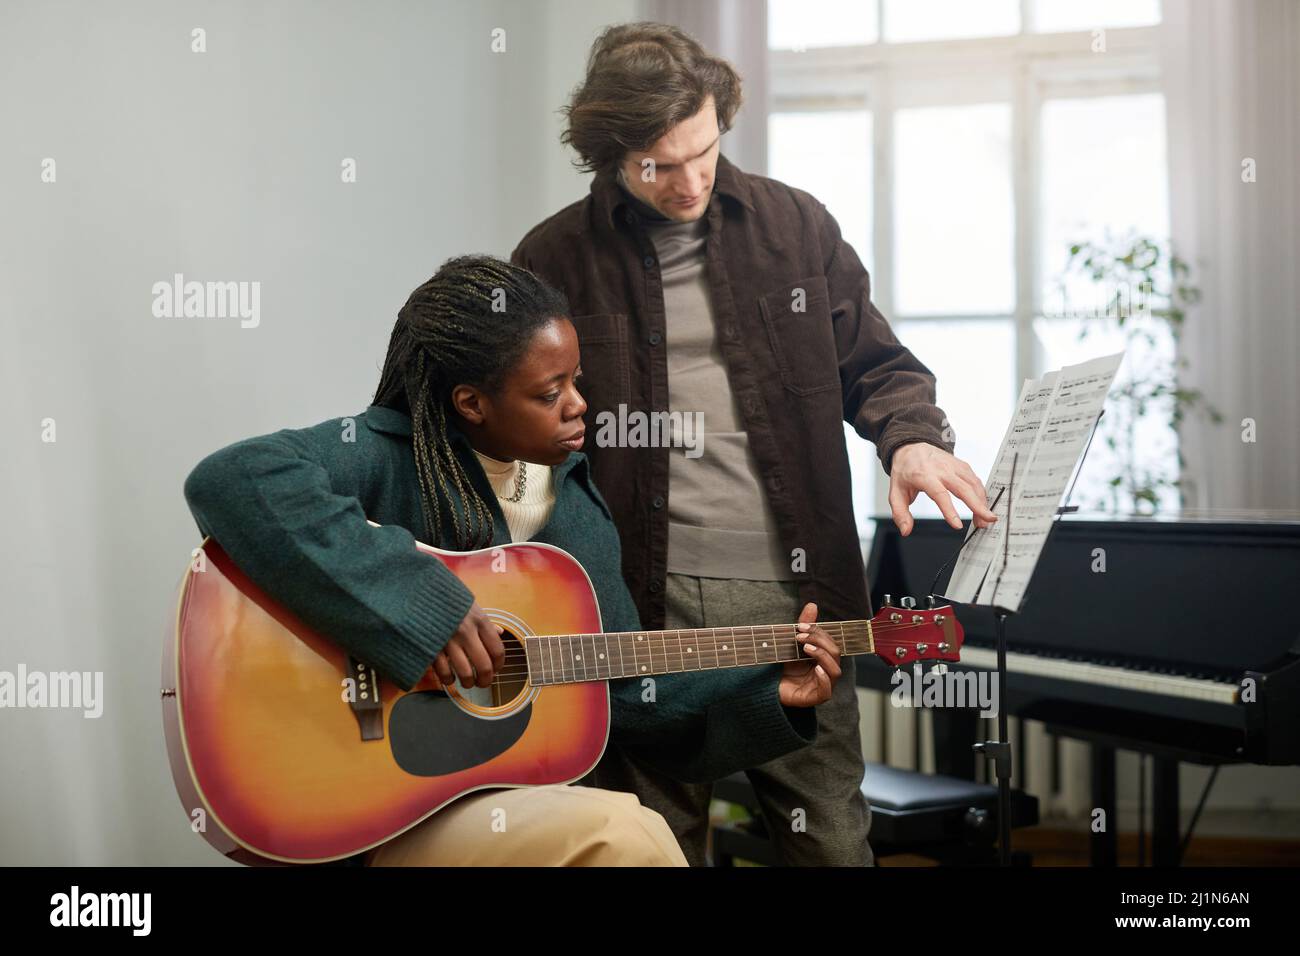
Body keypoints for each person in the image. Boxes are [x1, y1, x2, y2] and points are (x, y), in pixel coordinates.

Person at [512, 22, 997, 866]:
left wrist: (911, 442)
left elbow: (877, 368)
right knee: (651, 841)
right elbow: (516, 425)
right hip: (633, 599)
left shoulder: (796, 227)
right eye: (662, 165)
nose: (692, 180)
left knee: (833, 839)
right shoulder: (553, 257)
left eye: (705, 149)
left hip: (799, 594)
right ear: (610, 156)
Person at [181, 254, 843, 866]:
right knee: (628, 834)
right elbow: (232, 479)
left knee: (622, 827)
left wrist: (768, 693)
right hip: (357, 802)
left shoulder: (572, 503)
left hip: (490, 801)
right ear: (472, 402)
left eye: (575, 381)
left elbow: (619, 693)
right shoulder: (384, 452)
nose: (580, 403)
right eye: (549, 392)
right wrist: (422, 607)